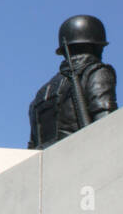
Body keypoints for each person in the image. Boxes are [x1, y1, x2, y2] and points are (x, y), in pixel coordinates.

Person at [27, 14, 118, 149]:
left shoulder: (41, 94)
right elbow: (106, 123)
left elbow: (32, 146)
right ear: (97, 47)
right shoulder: (97, 73)